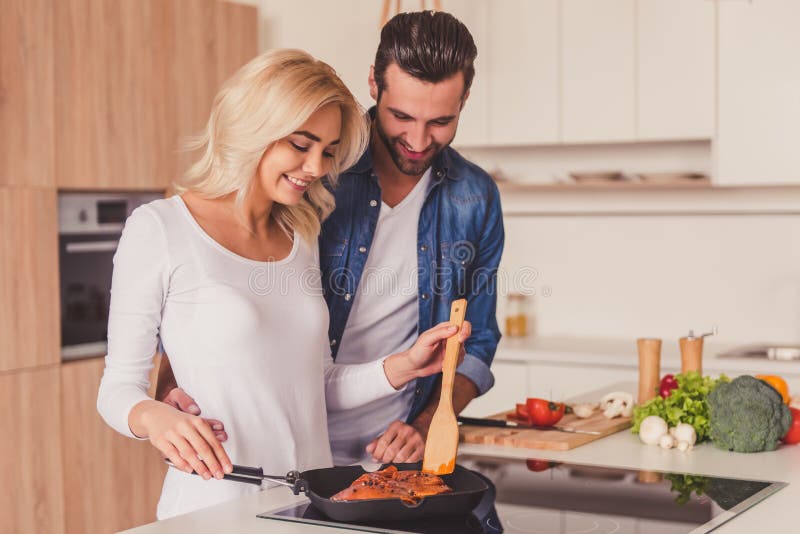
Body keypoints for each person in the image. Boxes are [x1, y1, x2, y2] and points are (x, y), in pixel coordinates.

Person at [96, 48, 471, 520]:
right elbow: (117, 390)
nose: (316, 167)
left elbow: (317, 385)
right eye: (301, 143)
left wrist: (406, 365)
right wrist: (155, 418)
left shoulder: (302, 235)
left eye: (328, 151)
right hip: (215, 507)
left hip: (312, 504)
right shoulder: (161, 229)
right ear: (255, 128)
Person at [159, 10, 503, 466]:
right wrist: (168, 388)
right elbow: (211, 290)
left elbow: (477, 344)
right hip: (284, 451)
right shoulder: (313, 173)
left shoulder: (475, 197)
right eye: (401, 116)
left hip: (395, 464)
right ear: (373, 86)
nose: (418, 140)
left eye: (441, 121)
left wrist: (425, 424)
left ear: (465, 101)